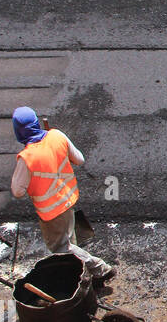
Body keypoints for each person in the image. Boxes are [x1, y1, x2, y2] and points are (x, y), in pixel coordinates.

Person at [9, 107, 114, 282]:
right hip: (68, 197)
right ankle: (79, 275)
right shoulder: (56, 135)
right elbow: (79, 159)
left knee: (60, 246)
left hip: (51, 209)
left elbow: (18, 191)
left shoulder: (27, 158)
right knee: (68, 236)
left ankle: (99, 268)